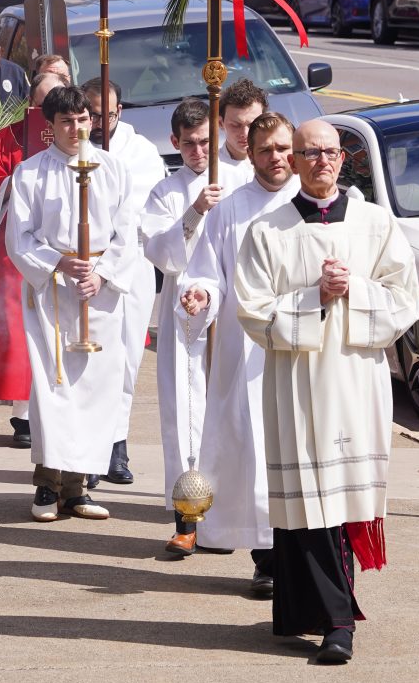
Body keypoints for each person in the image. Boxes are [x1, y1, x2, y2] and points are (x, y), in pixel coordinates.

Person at [233, 119, 419, 665]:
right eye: (310, 153)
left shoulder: (375, 224)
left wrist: (352, 289)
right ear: (293, 161)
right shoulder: (267, 231)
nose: (321, 162)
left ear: (344, 160)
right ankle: (332, 619)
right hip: (297, 385)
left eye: (331, 153)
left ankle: (320, 617)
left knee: (336, 504)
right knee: (308, 506)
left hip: (356, 381)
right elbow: (252, 310)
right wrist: (313, 296)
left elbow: (404, 300)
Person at [174, 112, 300, 575]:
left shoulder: (312, 202)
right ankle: (267, 558)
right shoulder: (229, 208)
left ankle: (305, 558)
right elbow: (209, 269)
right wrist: (202, 293)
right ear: (251, 152)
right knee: (256, 455)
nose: (276, 158)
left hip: (305, 347)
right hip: (246, 350)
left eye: (284, 148)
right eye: (265, 149)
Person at [6, 84, 138, 522]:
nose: (77, 128)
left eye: (83, 119)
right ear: (51, 126)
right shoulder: (29, 174)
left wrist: (101, 275)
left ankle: (79, 487)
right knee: (52, 391)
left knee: (94, 393)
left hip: (97, 295)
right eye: (67, 121)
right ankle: (47, 486)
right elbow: (18, 239)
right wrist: (58, 263)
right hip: (51, 296)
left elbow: (127, 235)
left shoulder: (114, 169)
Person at [140, 98, 253, 555]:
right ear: (175, 143)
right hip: (186, 318)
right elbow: (162, 255)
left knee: (235, 418)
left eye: (206, 141)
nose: (199, 151)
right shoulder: (166, 192)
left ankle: (236, 518)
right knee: (186, 418)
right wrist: (194, 212)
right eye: (189, 144)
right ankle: (187, 519)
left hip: (234, 317)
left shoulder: (243, 179)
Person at [0, 71, 65, 447]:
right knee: (21, 332)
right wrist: (16, 178)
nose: (49, 111)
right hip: (17, 252)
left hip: (64, 252)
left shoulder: (75, 139)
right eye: (42, 103)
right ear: (31, 104)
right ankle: (22, 416)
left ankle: (57, 411)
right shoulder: (7, 138)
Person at [82, 76, 166, 487]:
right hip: (84, 268)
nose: (100, 122)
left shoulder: (141, 150)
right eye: (92, 114)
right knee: (92, 359)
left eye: (107, 114)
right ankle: (91, 451)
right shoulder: (70, 146)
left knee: (128, 358)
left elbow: (137, 210)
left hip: (130, 264)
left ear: (120, 111)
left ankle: (117, 446)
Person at [219, 78, 267, 173]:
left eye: (253, 125)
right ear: (220, 123)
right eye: (235, 125)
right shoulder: (209, 169)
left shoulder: (278, 163)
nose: (245, 134)